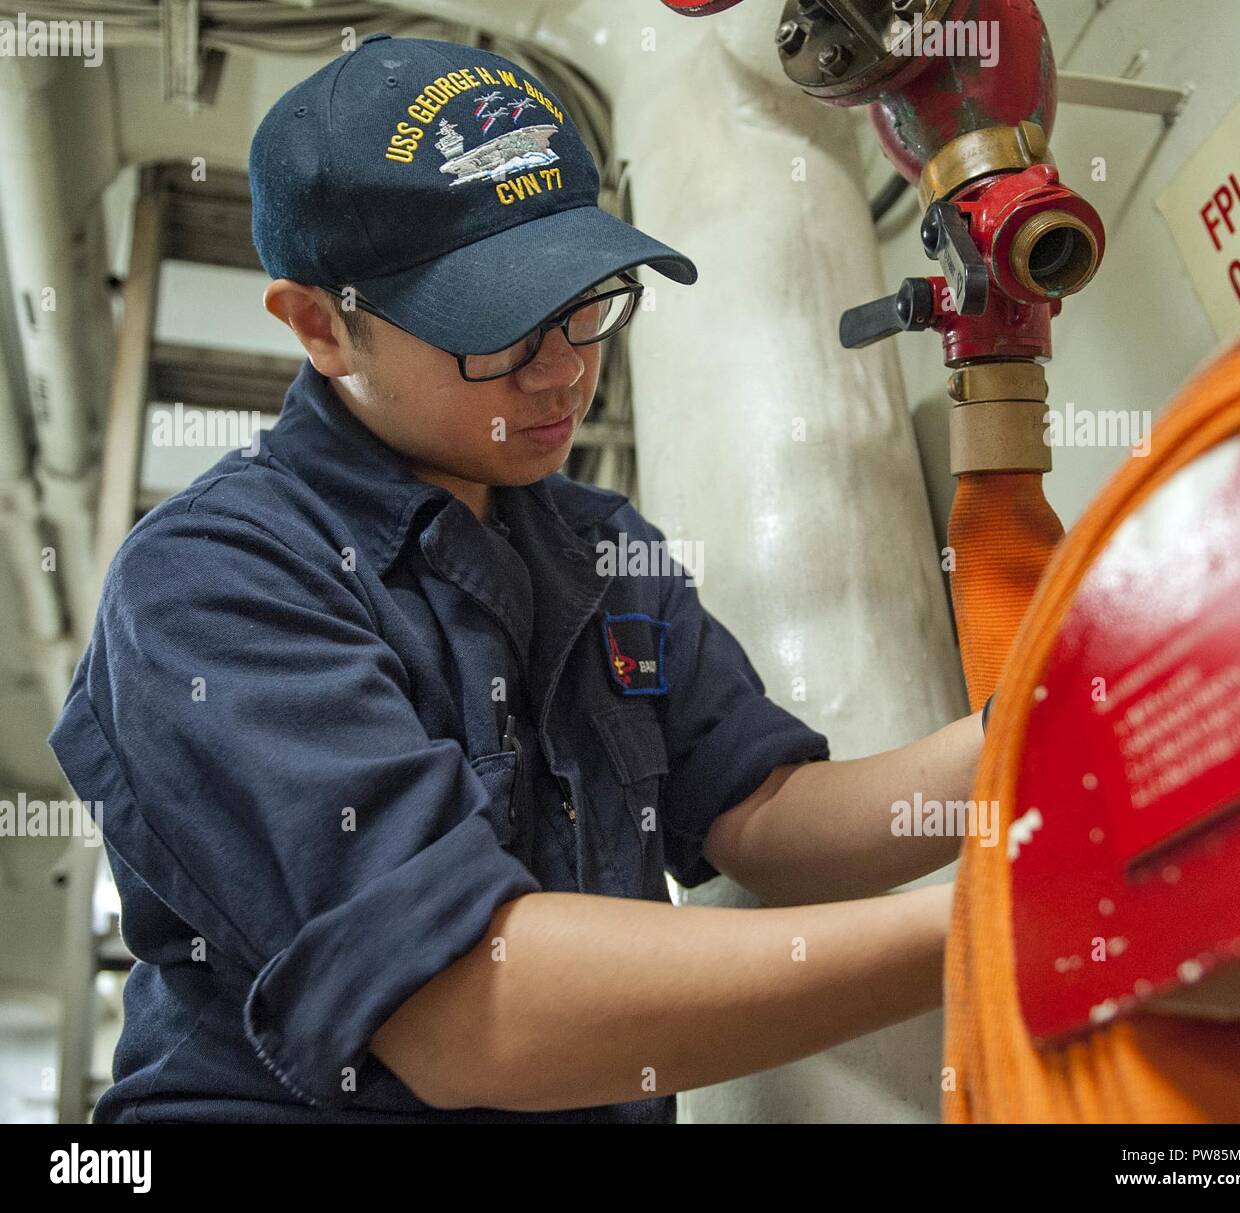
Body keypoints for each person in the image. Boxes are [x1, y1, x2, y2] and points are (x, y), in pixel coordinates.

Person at [48, 35, 984, 1124]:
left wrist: (1045, 729)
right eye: (493, 330)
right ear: (319, 324)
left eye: (586, 303)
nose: (564, 370)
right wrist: (989, 928)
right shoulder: (214, 582)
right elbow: (468, 1010)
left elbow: (760, 815)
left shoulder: (597, 549)